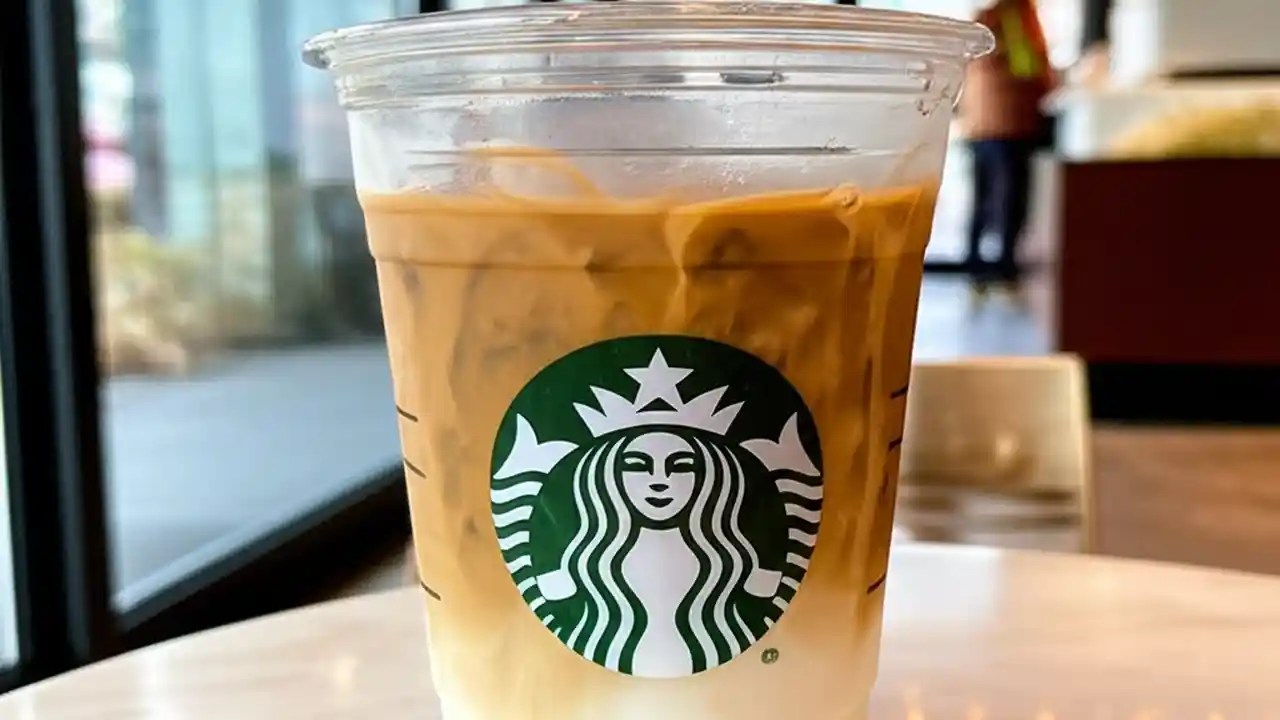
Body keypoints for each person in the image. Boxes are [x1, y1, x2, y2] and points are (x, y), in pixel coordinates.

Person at [959, 0, 1055, 283]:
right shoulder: (1017, 15)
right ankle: (1003, 269)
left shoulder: (984, 17)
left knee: (981, 198)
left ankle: (975, 266)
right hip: (1010, 123)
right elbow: (1029, 68)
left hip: (979, 125)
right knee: (1009, 199)